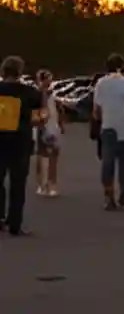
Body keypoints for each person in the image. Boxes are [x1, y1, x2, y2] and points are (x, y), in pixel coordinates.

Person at [94, 53, 124, 209]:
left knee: (108, 163)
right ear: (123, 66)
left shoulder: (101, 84)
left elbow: (97, 109)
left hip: (109, 127)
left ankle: (109, 196)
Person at [0, 55, 43, 236]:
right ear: (20, 71)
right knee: (18, 184)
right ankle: (15, 223)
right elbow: (39, 118)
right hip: (20, 141)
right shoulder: (30, 93)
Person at [34, 69, 65, 197]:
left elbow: (59, 111)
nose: (48, 82)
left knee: (53, 157)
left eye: (49, 79)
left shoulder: (53, 95)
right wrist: (40, 125)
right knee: (41, 156)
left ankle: (52, 183)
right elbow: (37, 113)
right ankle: (42, 184)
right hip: (42, 128)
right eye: (45, 79)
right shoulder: (37, 95)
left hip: (53, 127)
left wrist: (61, 125)